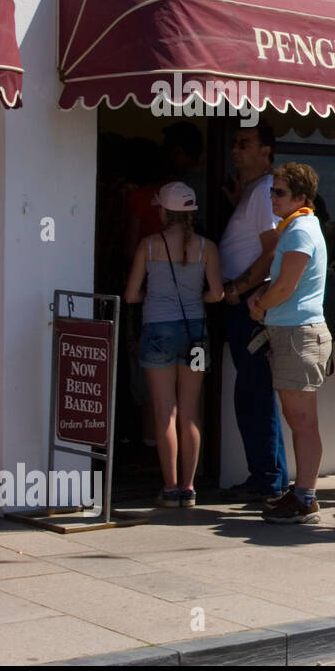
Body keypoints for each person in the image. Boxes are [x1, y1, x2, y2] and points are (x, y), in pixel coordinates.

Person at [123, 183, 224, 506]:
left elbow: (130, 295)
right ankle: (189, 487)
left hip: (157, 329)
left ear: (164, 212)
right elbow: (217, 294)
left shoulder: (149, 246)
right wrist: (197, 297)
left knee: (164, 411)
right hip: (196, 331)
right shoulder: (207, 248)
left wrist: (151, 297)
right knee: (190, 412)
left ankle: (170, 488)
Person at [253, 163, 333, 524]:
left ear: (301, 197)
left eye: (280, 192)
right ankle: (302, 493)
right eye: (272, 190)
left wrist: (259, 304)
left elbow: (286, 286)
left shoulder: (300, 229)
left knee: (301, 421)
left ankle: (305, 498)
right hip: (294, 331)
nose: (272, 197)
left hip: (298, 332)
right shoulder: (298, 226)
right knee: (300, 419)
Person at [218, 124, 287, 501]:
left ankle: (268, 479)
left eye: (244, 144)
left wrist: (237, 289)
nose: (235, 151)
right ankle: (268, 475)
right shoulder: (255, 193)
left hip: (248, 307)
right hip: (243, 307)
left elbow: (272, 251)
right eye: (234, 143)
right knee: (252, 390)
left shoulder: (264, 192)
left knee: (255, 392)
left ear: (266, 151)